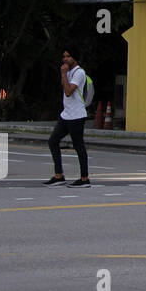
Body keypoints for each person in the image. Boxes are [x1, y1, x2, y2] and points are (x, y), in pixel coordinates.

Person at [45, 48, 89, 187]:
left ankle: (84, 179)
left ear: (74, 58)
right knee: (53, 141)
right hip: (66, 115)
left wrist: (63, 74)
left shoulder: (79, 73)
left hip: (76, 115)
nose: (65, 59)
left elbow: (69, 91)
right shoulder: (68, 72)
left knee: (78, 146)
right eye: (64, 56)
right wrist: (64, 74)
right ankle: (59, 175)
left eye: (68, 56)